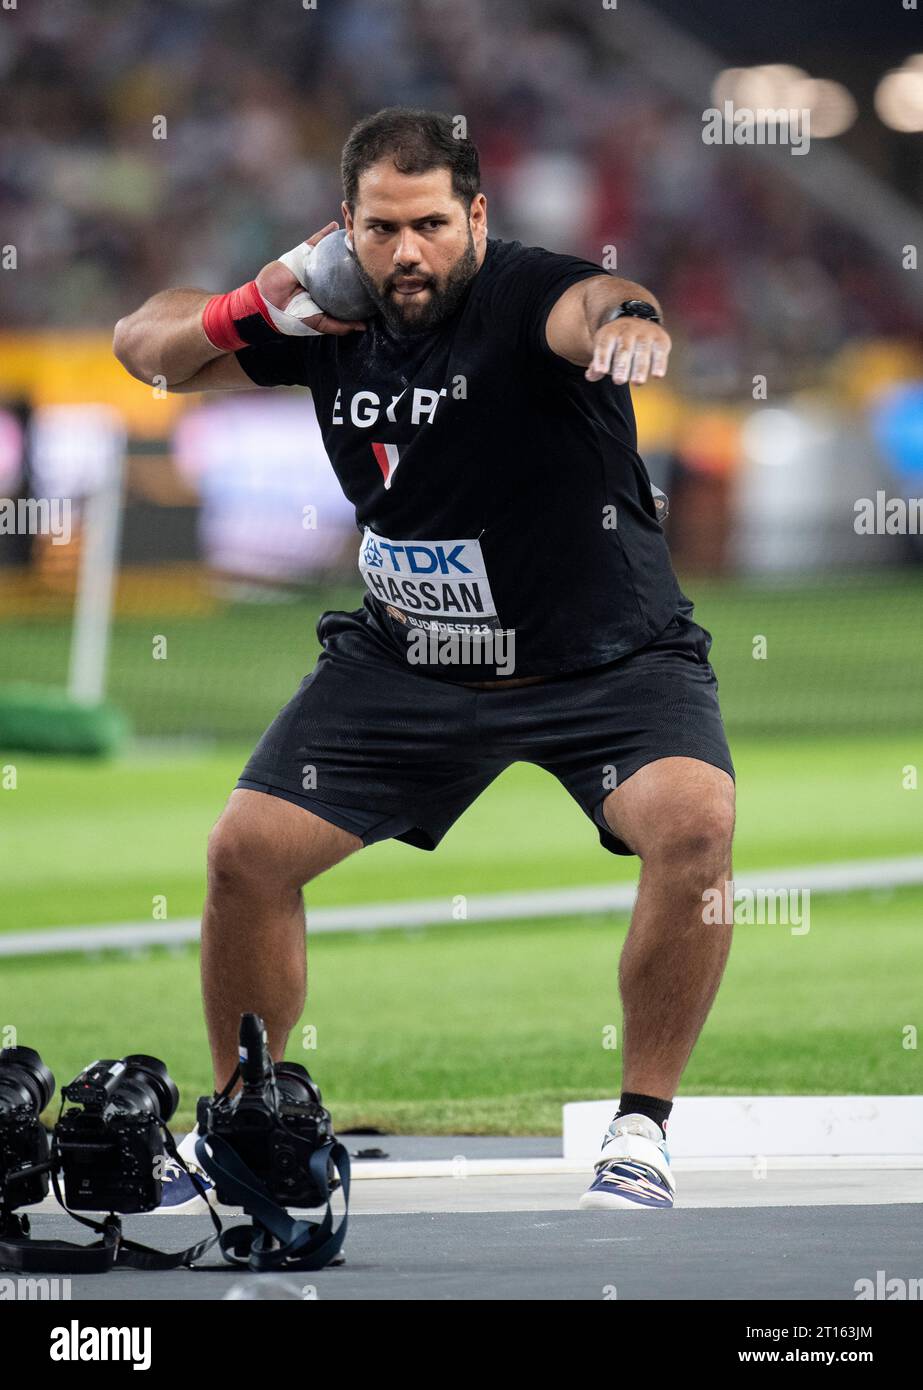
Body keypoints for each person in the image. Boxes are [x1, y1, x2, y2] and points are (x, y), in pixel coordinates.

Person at [114, 107, 736, 1212]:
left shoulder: (521, 292)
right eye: (384, 228)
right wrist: (254, 302)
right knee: (245, 854)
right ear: (342, 227)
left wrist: (629, 318)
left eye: (435, 225)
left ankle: (639, 1129)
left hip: (602, 660)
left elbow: (594, 301)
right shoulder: (325, 313)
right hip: (409, 658)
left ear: (477, 217)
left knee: (692, 824)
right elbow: (146, 350)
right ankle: (242, 1127)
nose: (410, 253)